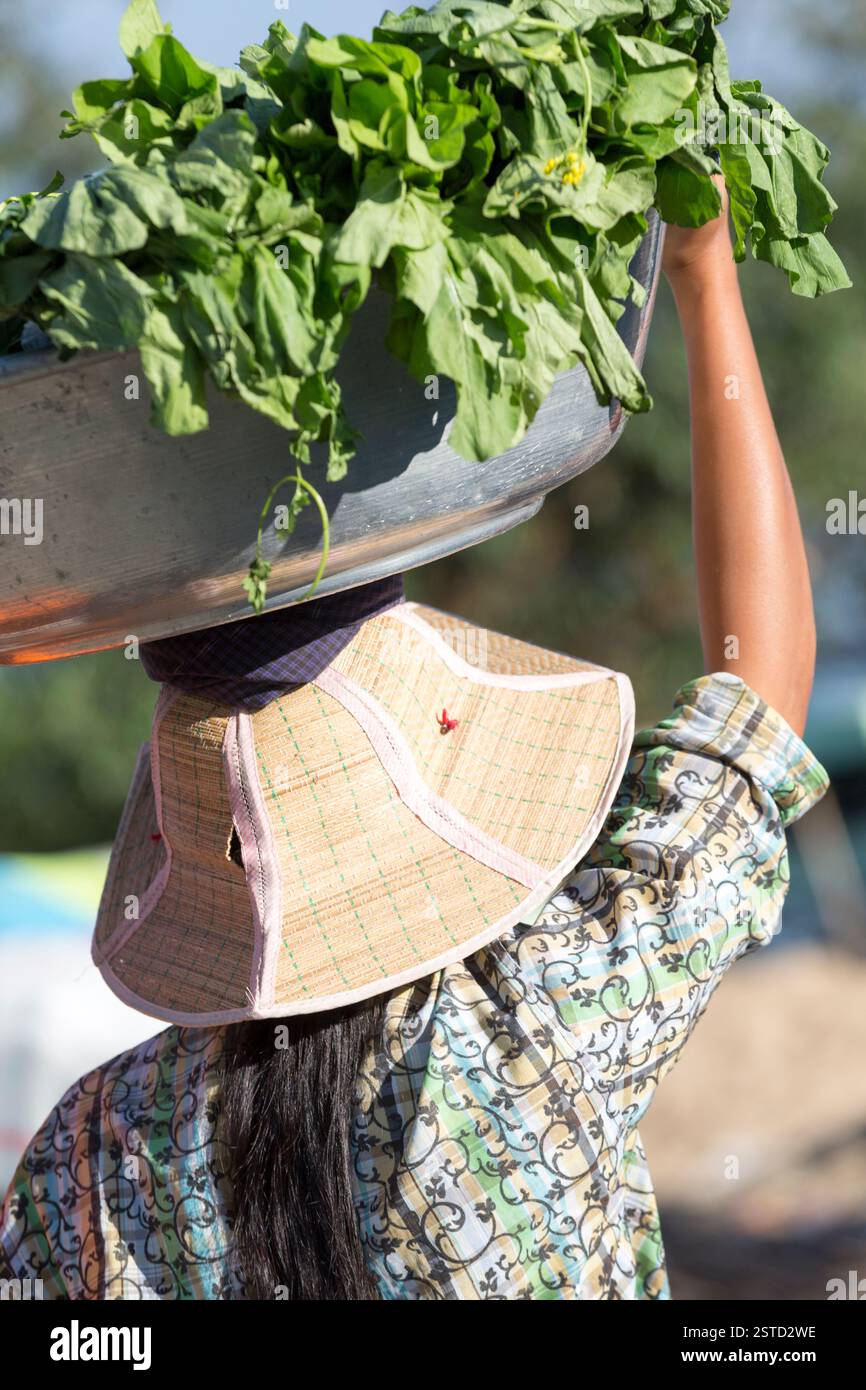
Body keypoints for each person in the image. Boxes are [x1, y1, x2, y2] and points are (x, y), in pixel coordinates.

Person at [0, 184, 829, 1301]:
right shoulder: (547, 1013)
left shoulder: (87, 1159)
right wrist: (701, 274)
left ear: (180, 818)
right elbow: (753, 698)